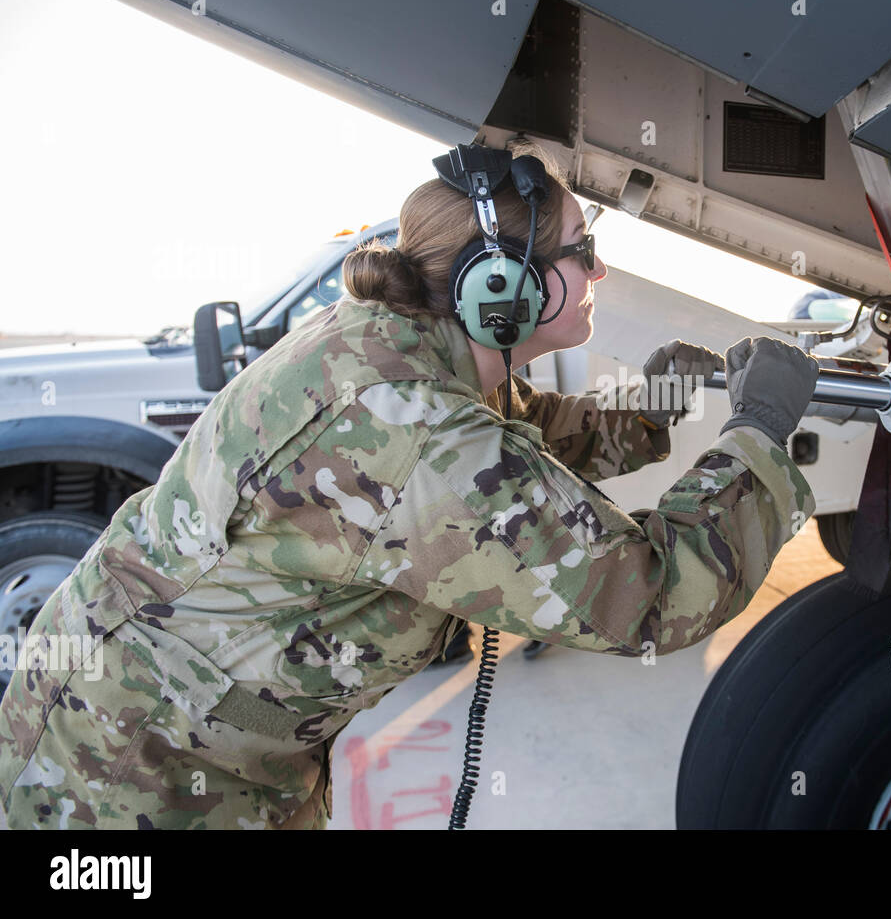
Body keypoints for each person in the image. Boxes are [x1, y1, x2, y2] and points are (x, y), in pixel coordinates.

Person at [0, 142, 820, 829]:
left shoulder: (402, 344)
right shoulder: (416, 430)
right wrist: (757, 438)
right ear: (498, 285)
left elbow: (521, 445)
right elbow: (645, 598)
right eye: (579, 249)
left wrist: (653, 405)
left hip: (199, 724)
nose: (601, 267)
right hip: (131, 768)